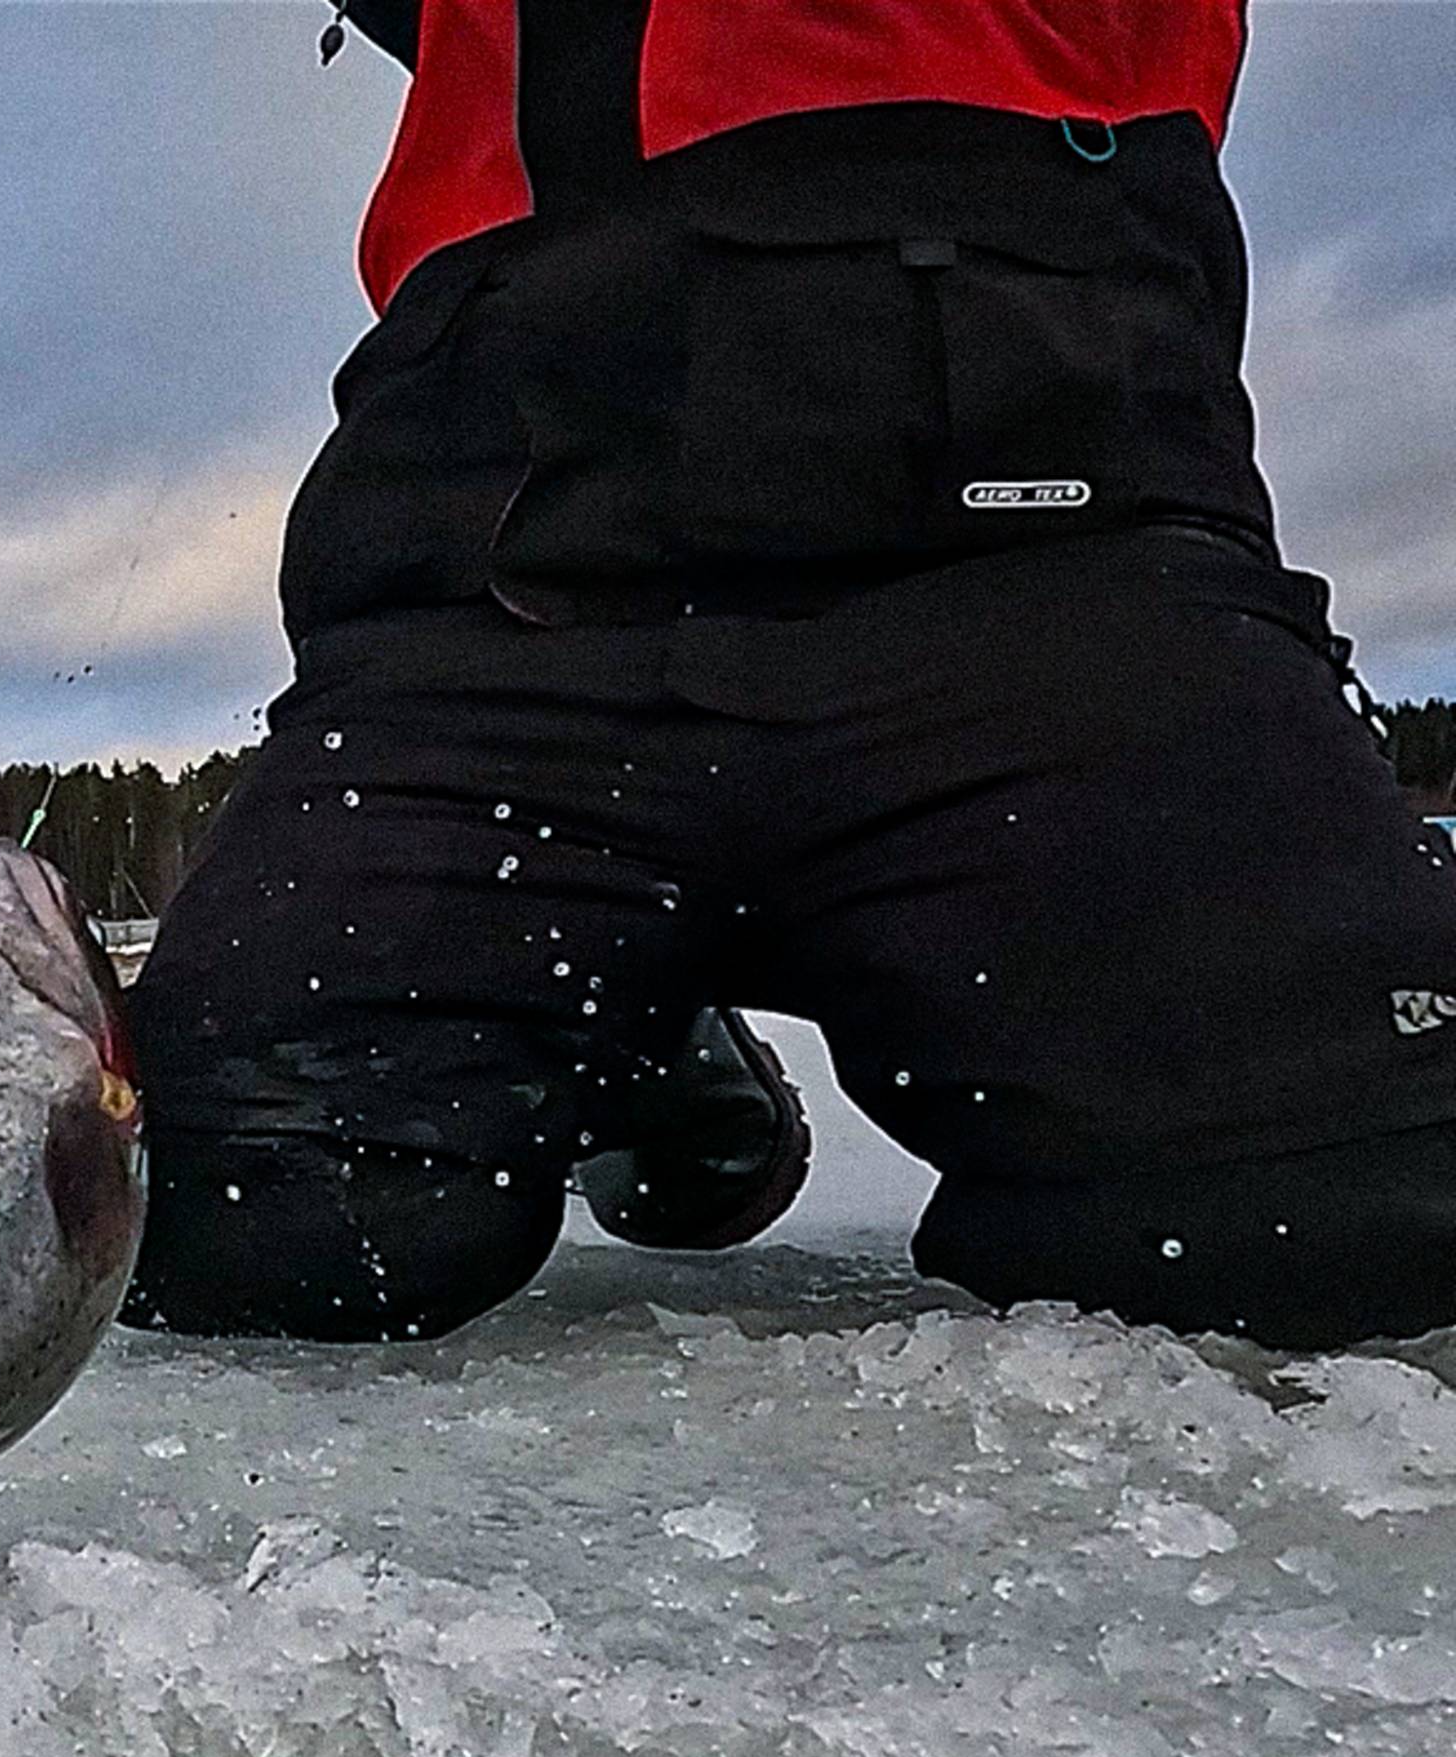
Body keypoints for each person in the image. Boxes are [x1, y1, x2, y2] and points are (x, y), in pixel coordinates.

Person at [121, 0, 1456, 1351]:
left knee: (1350, 1214)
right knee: (250, 1210)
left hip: (1055, 533)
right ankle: (607, 1022)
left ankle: (630, 983)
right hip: (511, 566)